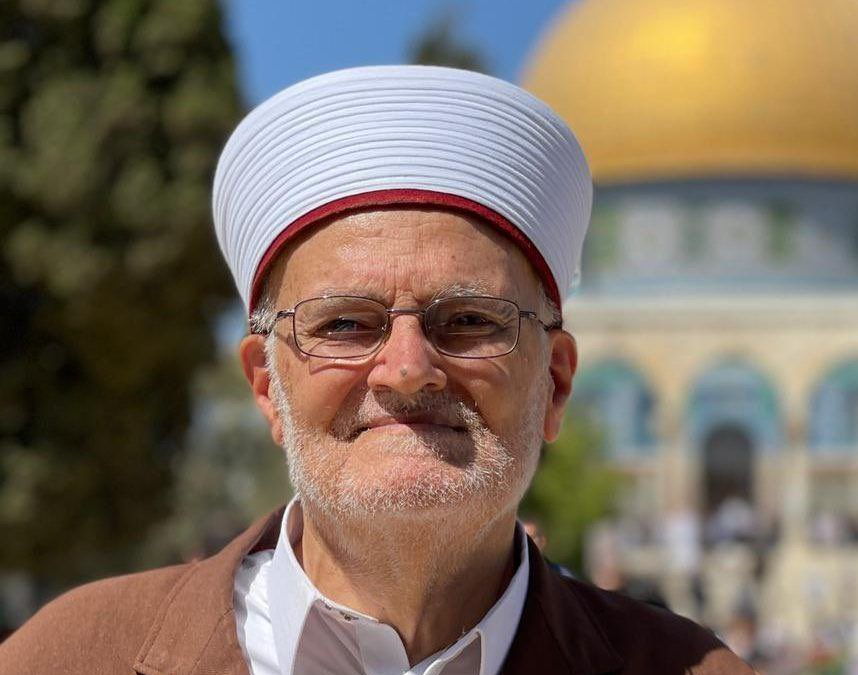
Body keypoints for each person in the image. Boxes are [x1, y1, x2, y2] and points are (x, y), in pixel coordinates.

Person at [0, 66, 752, 674]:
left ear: (554, 380)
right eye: (346, 325)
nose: (406, 370)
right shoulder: (73, 655)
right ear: (267, 385)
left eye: (467, 322)